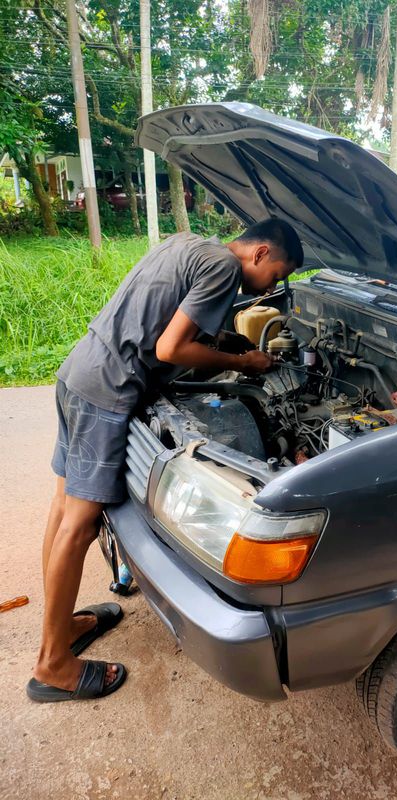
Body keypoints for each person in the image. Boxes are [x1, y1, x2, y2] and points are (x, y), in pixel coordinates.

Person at [27, 217, 303, 702]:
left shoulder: (189, 244)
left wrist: (220, 344)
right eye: (279, 275)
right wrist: (243, 363)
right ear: (260, 253)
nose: (274, 287)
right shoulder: (223, 268)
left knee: (62, 508)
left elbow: (161, 321)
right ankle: (54, 665)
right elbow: (170, 347)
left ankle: (63, 625)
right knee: (81, 525)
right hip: (108, 392)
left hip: (81, 371)